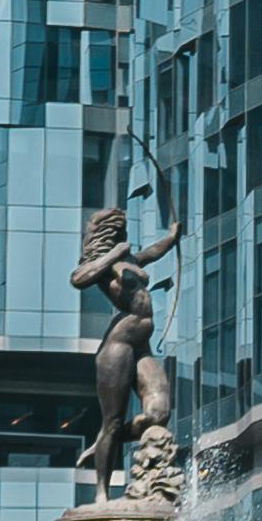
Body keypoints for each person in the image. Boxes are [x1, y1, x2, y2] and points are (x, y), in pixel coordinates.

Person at [72, 187, 185, 498]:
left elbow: (152, 252)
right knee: (112, 419)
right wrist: (113, 254)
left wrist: (172, 238)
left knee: (159, 412)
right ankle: (101, 492)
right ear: (108, 232)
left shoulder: (130, 259)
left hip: (140, 346)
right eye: (119, 228)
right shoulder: (105, 262)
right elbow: (78, 278)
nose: (124, 232)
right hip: (118, 346)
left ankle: (105, 442)